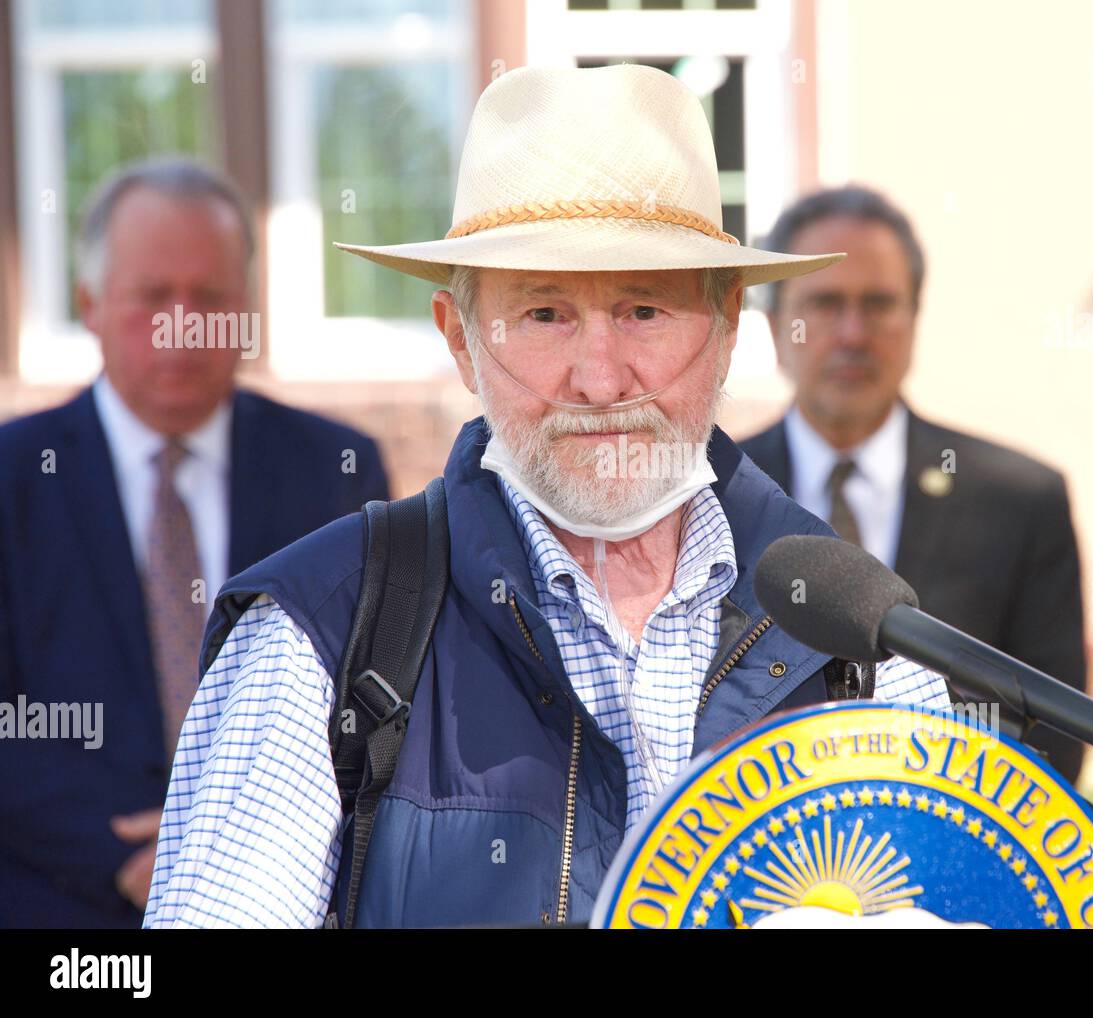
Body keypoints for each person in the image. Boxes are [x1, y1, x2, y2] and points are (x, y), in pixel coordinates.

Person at [143, 64, 953, 929]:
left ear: (725, 328)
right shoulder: (322, 632)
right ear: (461, 341)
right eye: (544, 315)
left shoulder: (860, 641)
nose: (600, 381)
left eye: (645, 310)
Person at [0, 158, 390, 928]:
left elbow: (377, 699)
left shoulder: (336, 470)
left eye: (208, 298)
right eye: (152, 298)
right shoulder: (13, 478)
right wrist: (130, 858)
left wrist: (234, 849)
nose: (183, 324)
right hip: (60, 908)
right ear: (89, 304)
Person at [739, 185, 1087, 786]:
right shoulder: (719, 498)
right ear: (775, 326)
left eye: (878, 304)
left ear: (914, 318)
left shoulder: (1019, 502)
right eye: (824, 304)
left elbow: (1055, 738)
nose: (853, 333)